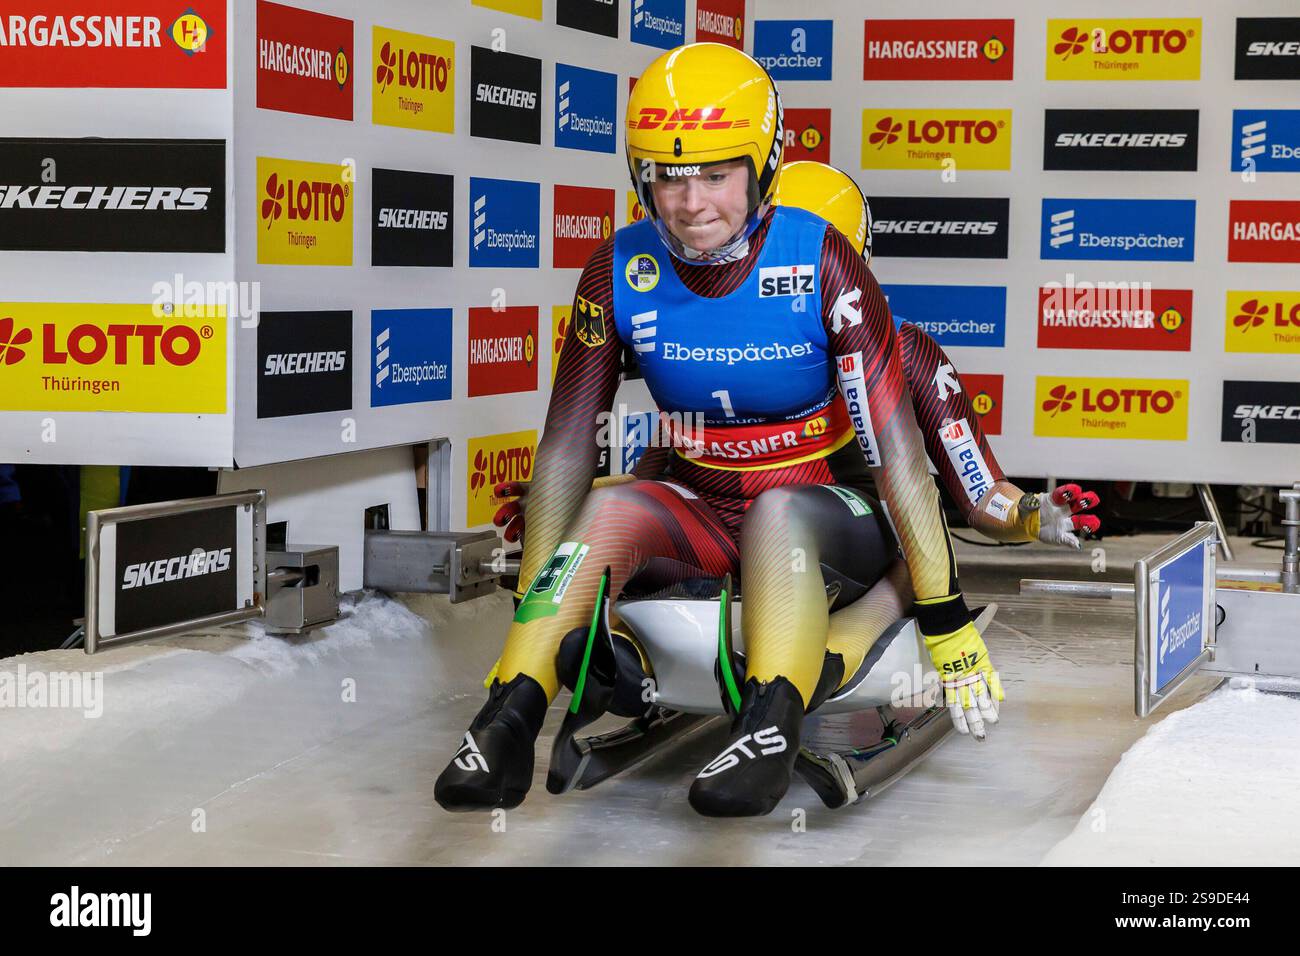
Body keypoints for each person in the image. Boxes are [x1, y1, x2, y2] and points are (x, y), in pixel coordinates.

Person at [437, 42, 1006, 818]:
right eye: (668, 175)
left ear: (764, 165)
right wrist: (533, 613)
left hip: (827, 514)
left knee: (779, 512)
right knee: (607, 508)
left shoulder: (824, 262)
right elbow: (568, 442)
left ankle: (769, 723)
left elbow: (897, 453)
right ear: (641, 177)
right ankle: (509, 714)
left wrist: (945, 619)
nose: (691, 201)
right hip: (708, 513)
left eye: (716, 173)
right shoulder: (616, 269)